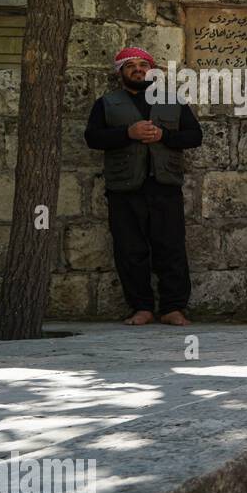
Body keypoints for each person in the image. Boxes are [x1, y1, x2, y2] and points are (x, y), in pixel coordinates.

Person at [84, 47, 202, 326]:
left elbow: (194, 136)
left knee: (171, 248)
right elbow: (93, 137)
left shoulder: (173, 101)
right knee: (130, 250)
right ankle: (142, 307)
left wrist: (164, 135)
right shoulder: (107, 103)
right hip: (124, 189)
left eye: (143, 65)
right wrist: (128, 133)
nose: (138, 69)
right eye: (131, 66)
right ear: (121, 73)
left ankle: (173, 307)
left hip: (164, 186)